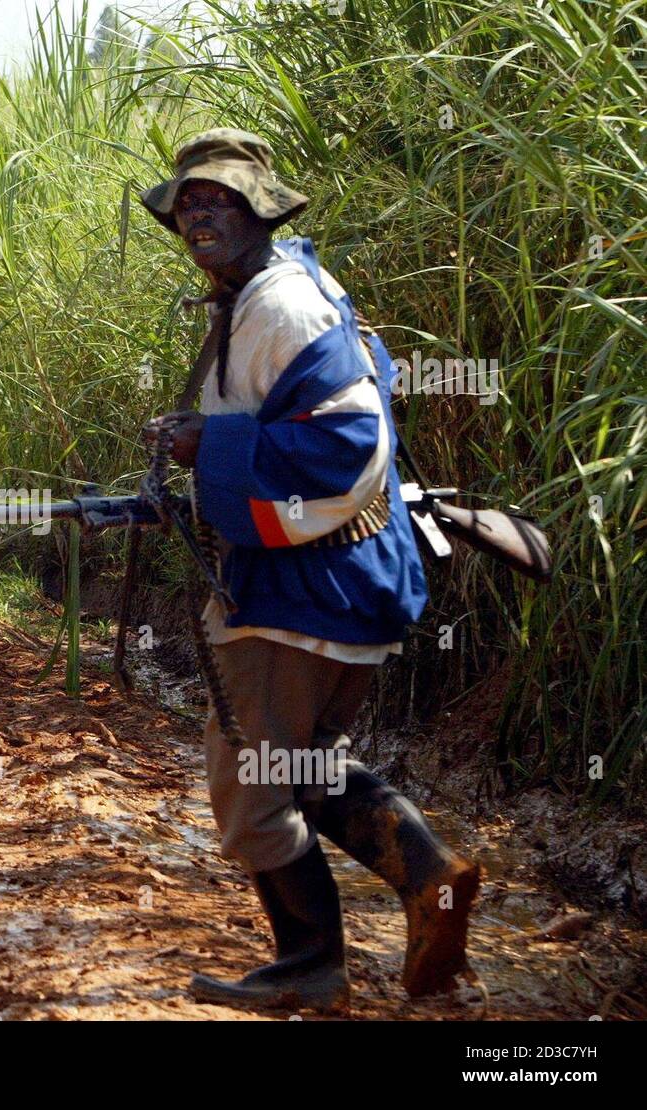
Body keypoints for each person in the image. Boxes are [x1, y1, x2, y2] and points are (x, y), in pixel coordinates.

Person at [139, 129, 480, 1012]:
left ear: (259, 208)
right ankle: (431, 876)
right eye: (186, 202)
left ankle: (311, 965)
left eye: (217, 198)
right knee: (303, 766)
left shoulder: (281, 305)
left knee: (252, 789)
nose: (197, 212)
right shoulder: (268, 291)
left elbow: (345, 443)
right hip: (344, 580)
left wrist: (205, 442)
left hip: (303, 591)